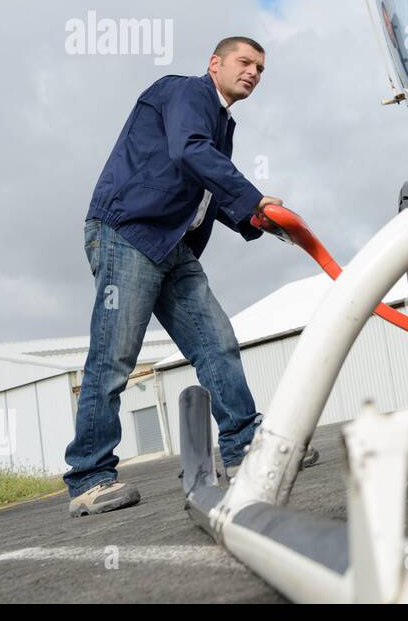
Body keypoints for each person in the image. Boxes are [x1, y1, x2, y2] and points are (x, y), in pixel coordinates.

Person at [65, 36, 318, 517]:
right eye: (245, 62)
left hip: (173, 245)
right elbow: (189, 153)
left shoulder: (221, 123)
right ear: (215, 63)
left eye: (261, 68)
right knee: (114, 355)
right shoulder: (185, 92)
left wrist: (255, 220)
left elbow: (208, 185)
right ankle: (89, 477)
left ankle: (244, 446)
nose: (253, 73)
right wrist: (254, 198)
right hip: (129, 233)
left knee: (217, 342)